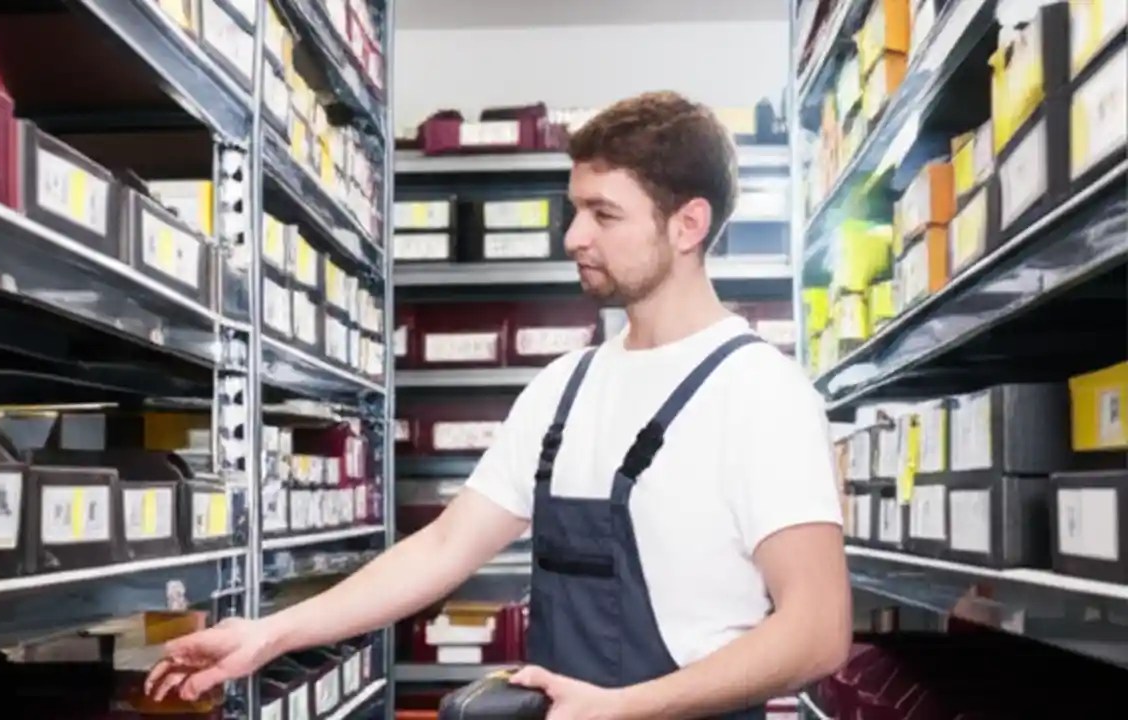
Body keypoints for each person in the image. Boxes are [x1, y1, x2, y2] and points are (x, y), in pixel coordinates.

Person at [146, 91, 851, 719]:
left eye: (603, 213)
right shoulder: (565, 387)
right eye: (576, 209)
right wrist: (269, 634)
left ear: (688, 224)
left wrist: (625, 710)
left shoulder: (760, 394)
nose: (574, 235)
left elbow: (817, 629)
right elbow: (446, 545)